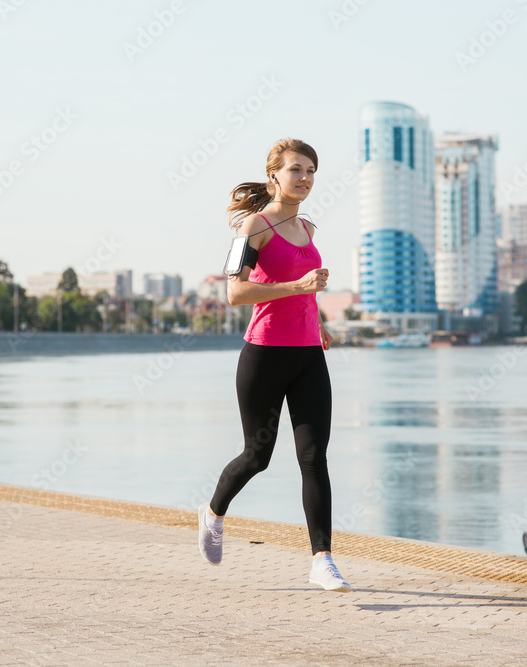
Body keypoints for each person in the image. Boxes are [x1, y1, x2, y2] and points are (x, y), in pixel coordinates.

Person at [197, 138, 351, 592]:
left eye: (310, 171)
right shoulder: (253, 227)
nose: (304, 178)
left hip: (307, 356)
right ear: (274, 176)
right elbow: (235, 293)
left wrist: (317, 320)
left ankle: (322, 560)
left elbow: (308, 290)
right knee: (256, 457)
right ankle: (212, 514)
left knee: (313, 457)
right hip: (264, 356)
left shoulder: (308, 228)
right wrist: (296, 286)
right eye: (296, 169)